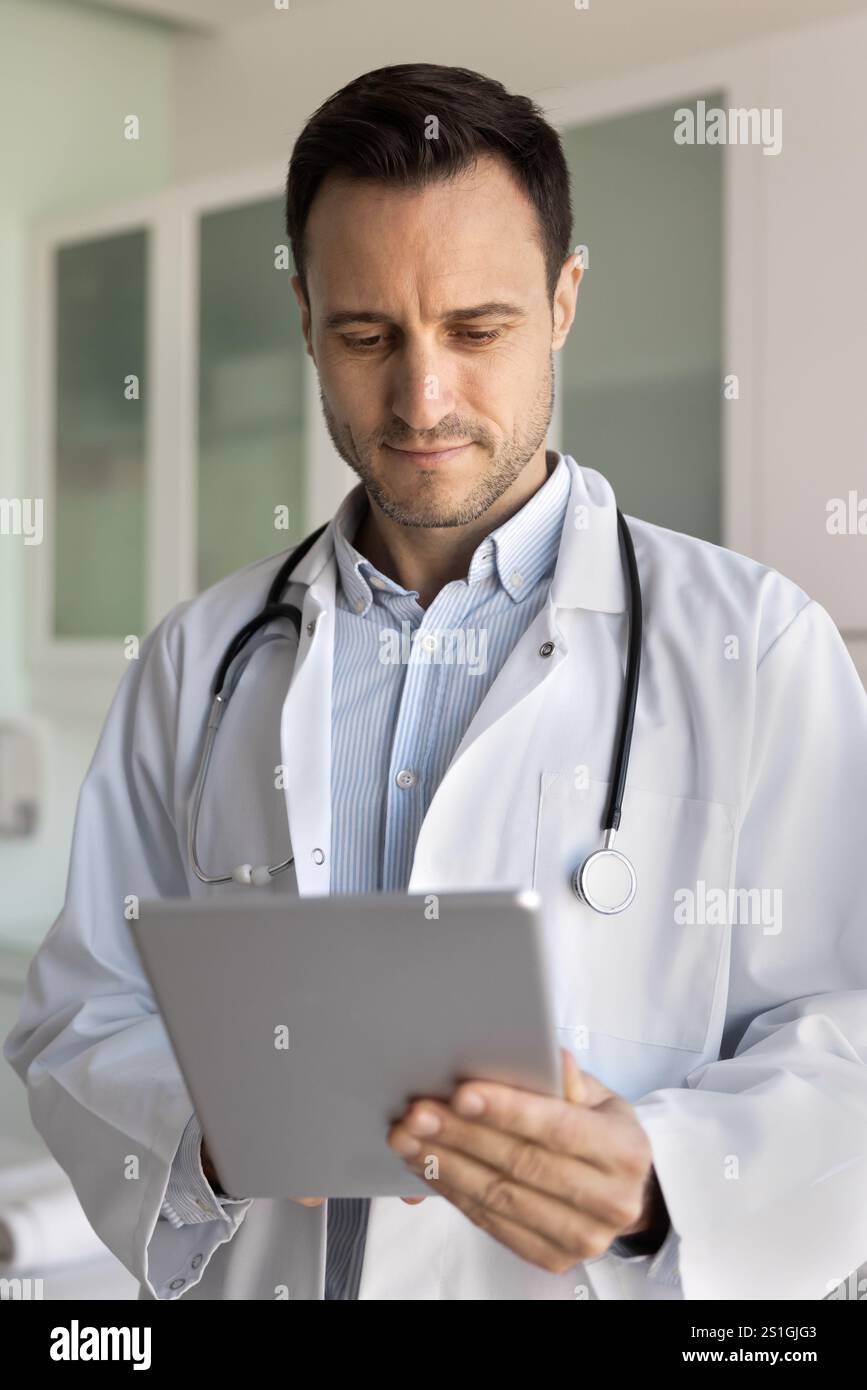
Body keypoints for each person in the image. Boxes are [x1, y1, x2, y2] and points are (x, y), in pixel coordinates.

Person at [5, 62, 867, 1302]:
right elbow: (82, 1017)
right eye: (367, 335)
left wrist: (667, 1176)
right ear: (306, 317)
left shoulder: (758, 647)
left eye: (477, 330)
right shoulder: (198, 661)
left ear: (564, 301)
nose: (423, 398)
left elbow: (847, 1028)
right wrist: (203, 1134)